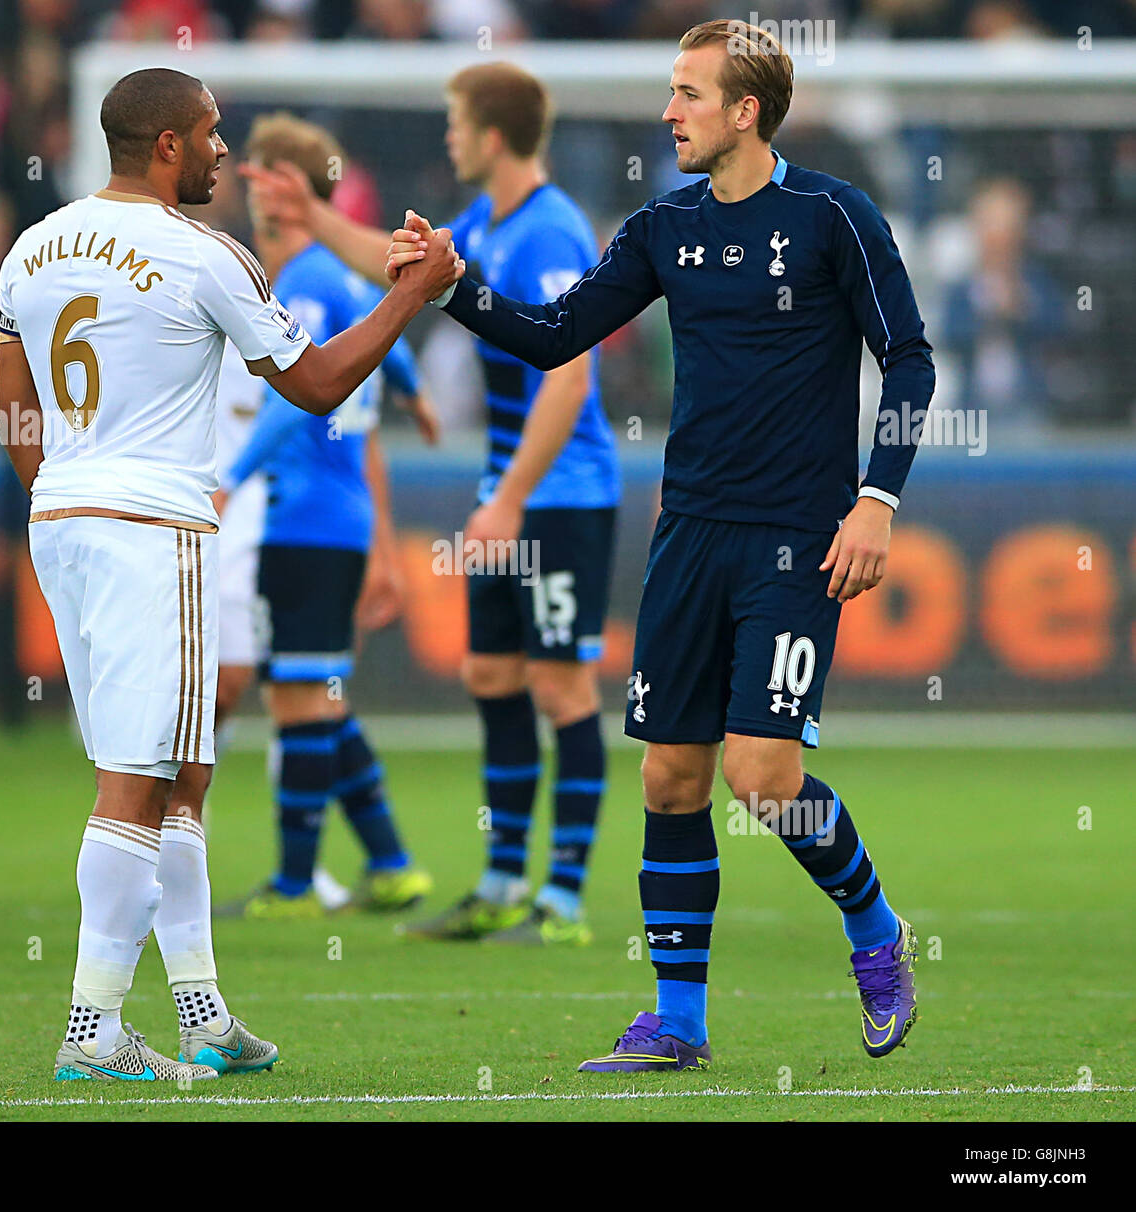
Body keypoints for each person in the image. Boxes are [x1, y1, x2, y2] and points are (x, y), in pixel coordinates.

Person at [388, 20, 934, 1072]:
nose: (668, 111)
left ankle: (875, 934)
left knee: (763, 778)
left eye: (688, 93)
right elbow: (555, 335)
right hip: (688, 534)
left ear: (745, 110)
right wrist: (454, 286)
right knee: (672, 781)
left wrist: (877, 501)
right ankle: (677, 1023)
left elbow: (908, 363)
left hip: (795, 542)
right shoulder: (662, 227)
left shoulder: (833, 217)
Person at [0, 66, 461, 1081]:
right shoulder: (206, 256)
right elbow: (319, 381)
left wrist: (63, 492)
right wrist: (411, 295)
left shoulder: (31, 248)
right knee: (139, 781)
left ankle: (202, 1012)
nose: (221, 151)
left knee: (182, 773)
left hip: (67, 518)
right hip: (152, 525)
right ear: (166, 144)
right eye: (210, 135)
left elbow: (13, 406)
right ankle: (93, 1028)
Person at [244, 62, 620, 946]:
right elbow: (404, 268)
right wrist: (312, 216)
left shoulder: (553, 228)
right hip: (511, 491)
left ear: (490, 136)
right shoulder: (488, 221)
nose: (448, 139)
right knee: (491, 676)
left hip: (560, 493)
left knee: (562, 684)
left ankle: (561, 899)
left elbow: (571, 375)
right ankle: (500, 880)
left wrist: (512, 499)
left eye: (455, 124)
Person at [212, 113, 436, 920]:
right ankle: (392, 862)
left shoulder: (305, 278)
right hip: (328, 517)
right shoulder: (333, 280)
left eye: (258, 176)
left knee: (298, 697)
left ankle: (298, 883)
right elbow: (380, 339)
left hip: (303, 515)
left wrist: (231, 476)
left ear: (288, 190)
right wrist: (411, 387)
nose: (245, 189)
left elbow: (299, 394)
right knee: (313, 693)